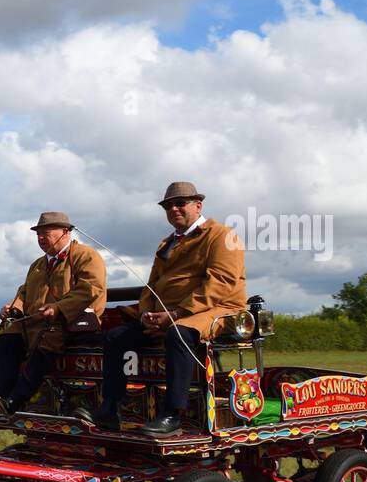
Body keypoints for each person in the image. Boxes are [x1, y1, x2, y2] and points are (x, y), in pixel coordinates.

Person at [74, 182, 246, 435]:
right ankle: (110, 408)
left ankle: (172, 414)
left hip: (218, 309)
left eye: (180, 203)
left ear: (198, 205)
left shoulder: (222, 236)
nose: (173, 209)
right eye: (168, 205)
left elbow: (221, 283)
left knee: (179, 333)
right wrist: (147, 314)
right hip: (168, 313)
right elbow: (151, 285)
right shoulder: (167, 243)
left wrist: (174, 315)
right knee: (115, 338)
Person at [0, 211, 106, 415]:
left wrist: (59, 308)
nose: (40, 238)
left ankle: (15, 400)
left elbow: (91, 288)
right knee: (8, 336)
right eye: (38, 234)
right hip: (36, 323)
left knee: (49, 338)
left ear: (65, 232)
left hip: (72, 322)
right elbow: (24, 291)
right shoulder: (37, 265)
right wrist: (14, 307)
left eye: (45, 233)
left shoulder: (86, 255)